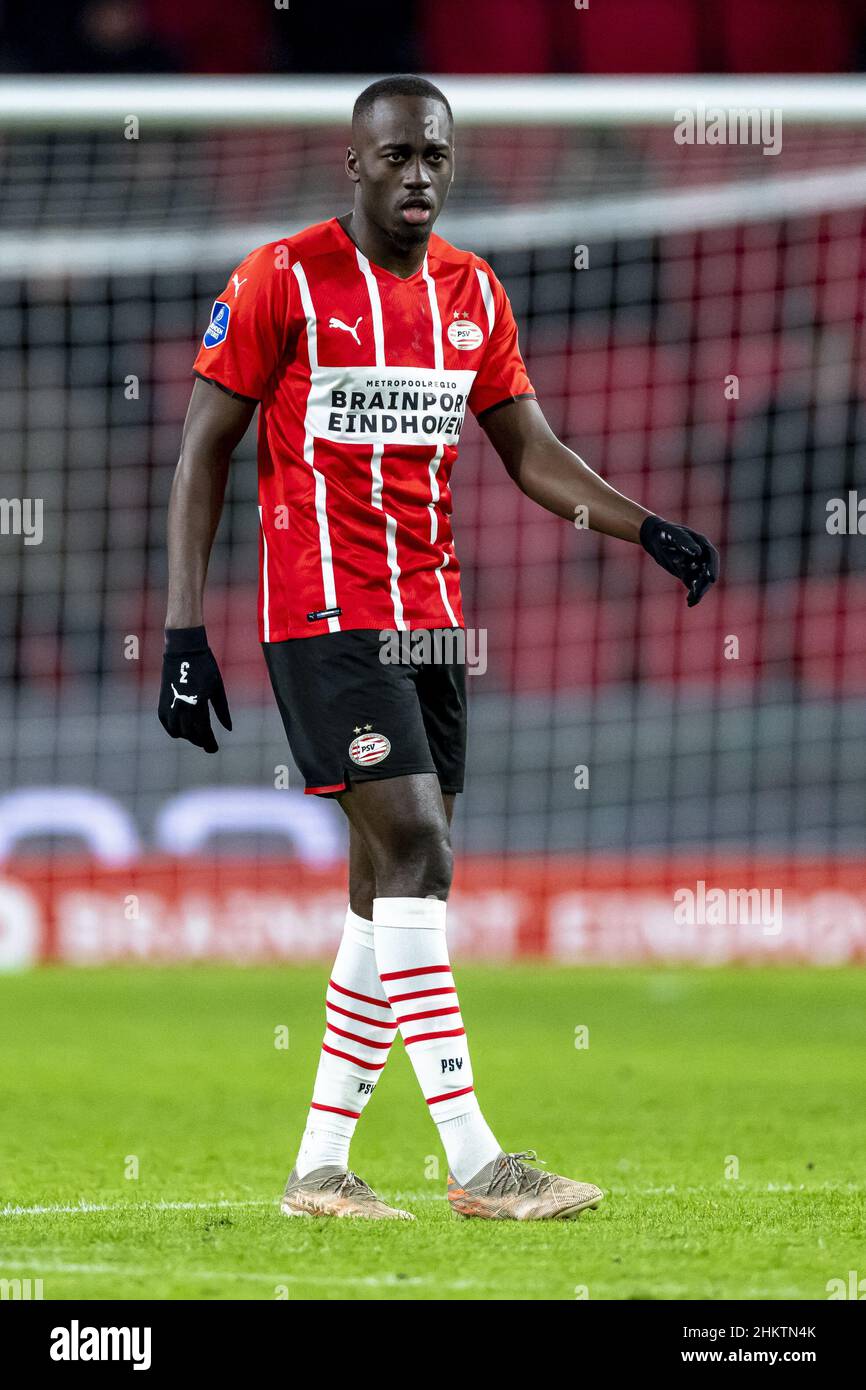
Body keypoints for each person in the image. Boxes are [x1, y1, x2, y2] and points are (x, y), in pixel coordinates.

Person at [159, 75, 719, 1222]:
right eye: (396, 156)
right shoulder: (282, 279)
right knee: (419, 845)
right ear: (351, 165)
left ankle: (320, 1167)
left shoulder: (472, 293)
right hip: (321, 611)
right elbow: (203, 448)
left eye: (434, 157)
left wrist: (644, 526)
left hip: (430, 616)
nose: (417, 175)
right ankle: (476, 1161)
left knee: (383, 885)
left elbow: (532, 451)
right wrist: (181, 626)